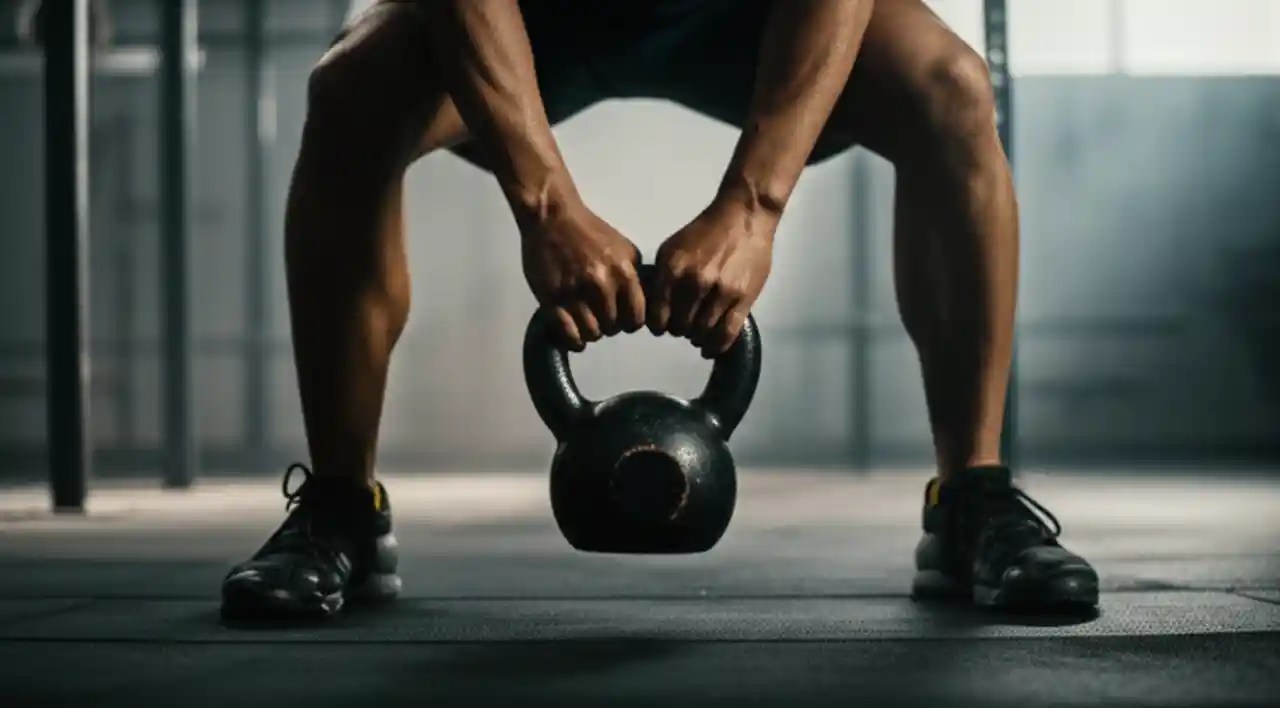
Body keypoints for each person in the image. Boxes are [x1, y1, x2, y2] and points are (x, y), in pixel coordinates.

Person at [220, 0, 1098, 619]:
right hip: (534, 13)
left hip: (743, 14)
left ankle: (970, 499)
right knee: (350, 89)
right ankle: (343, 506)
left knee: (950, 89)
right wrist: (547, 207)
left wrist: (754, 206)